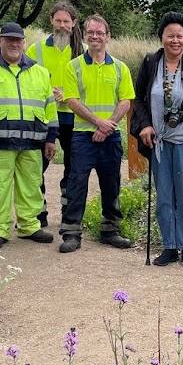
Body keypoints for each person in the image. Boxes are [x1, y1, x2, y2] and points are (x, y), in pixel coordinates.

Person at [130, 11, 183, 268]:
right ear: (162, 38)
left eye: (179, 35)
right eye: (170, 35)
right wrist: (144, 125)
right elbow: (139, 100)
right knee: (164, 197)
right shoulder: (150, 64)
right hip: (158, 143)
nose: (175, 40)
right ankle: (169, 246)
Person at [0, 22, 58, 251]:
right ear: (0, 41)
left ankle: (29, 226)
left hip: (32, 142)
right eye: (9, 39)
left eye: (18, 40)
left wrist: (50, 138)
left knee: (31, 186)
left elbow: (49, 108)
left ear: (24, 43)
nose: (14, 44)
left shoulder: (40, 73)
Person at [55, 14, 135, 253]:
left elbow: (125, 101)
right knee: (77, 182)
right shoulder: (74, 66)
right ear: (85, 35)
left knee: (111, 183)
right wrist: (97, 122)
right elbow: (71, 100)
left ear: (107, 37)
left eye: (100, 33)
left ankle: (111, 229)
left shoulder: (120, 67)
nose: (95, 36)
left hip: (110, 136)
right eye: (91, 32)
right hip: (82, 136)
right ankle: (71, 232)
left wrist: (107, 125)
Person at [26, 0, 82, 228]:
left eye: (66, 21)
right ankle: (37, 214)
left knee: (73, 166)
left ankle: (68, 214)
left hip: (72, 117)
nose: (61, 25)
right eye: (57, 20)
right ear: (51, 21)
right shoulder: (35, 50)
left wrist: (67, 94)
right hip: (42, 118)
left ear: (74, 23)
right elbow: (25, 81)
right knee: (36, 166)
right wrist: (47, 93)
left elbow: (89, 86)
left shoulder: (83, 51)